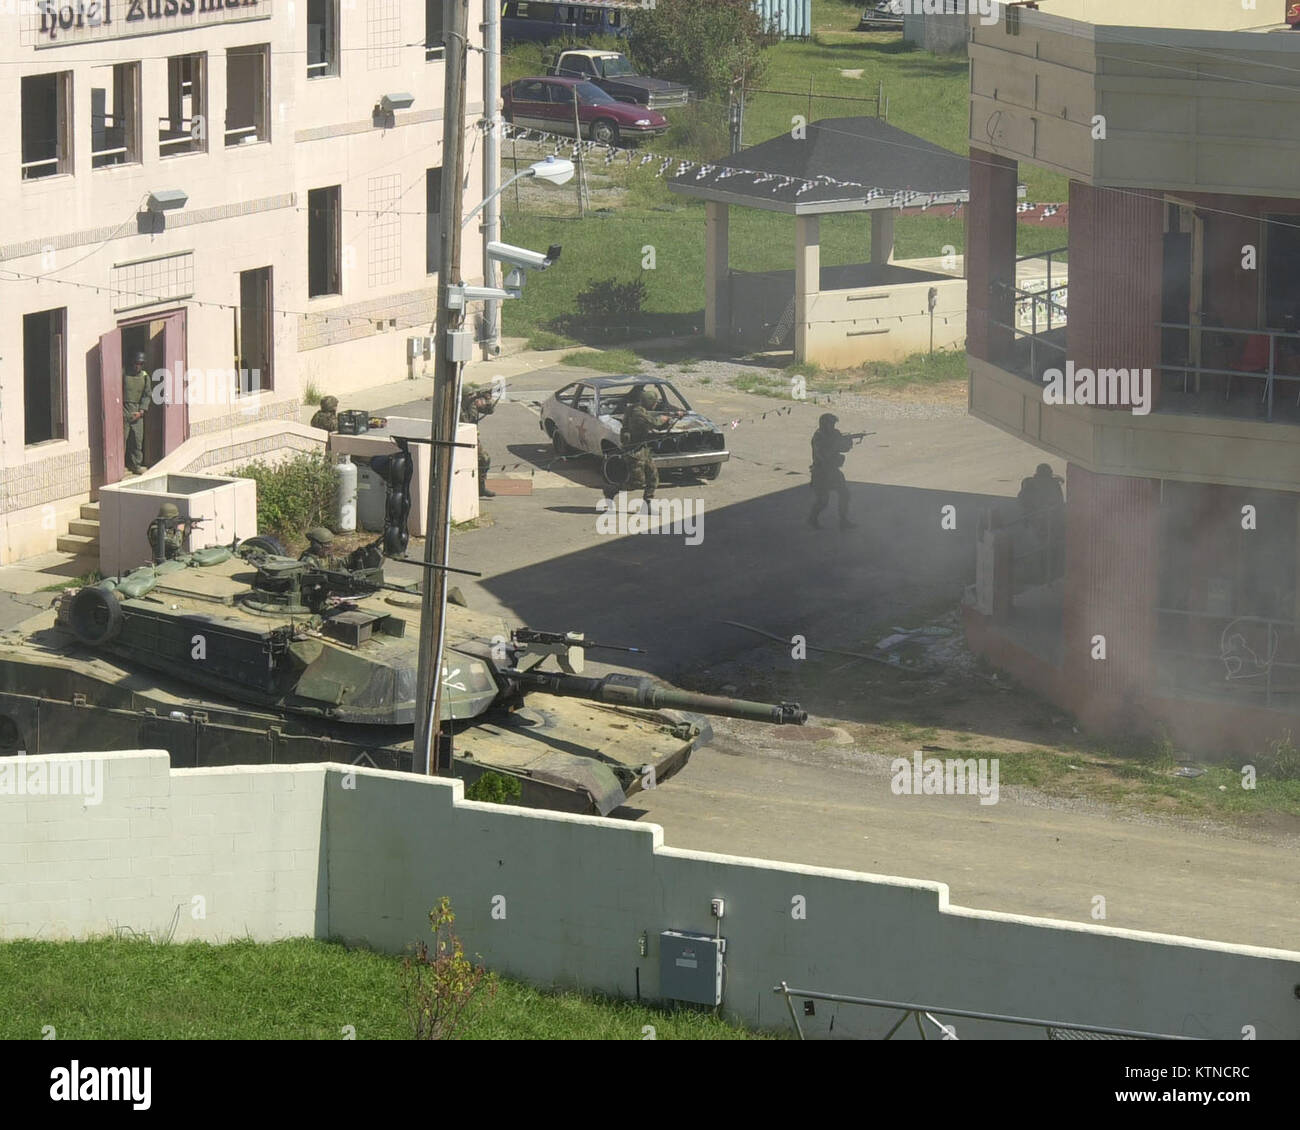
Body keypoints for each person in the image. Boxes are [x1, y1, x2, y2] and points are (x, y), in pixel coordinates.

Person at [605, 384, 684, 510]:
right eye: (654, 402)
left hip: (643, 449)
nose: (655, 405)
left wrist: (670, 417)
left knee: (653, 477)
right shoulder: (637, 413)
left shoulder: (637, 408)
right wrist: (668, 418)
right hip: (633, 451)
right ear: (649, 402)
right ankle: (611, 490)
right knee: (636, 482)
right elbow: (655, 423)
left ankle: (647, 504)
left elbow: (653, 420)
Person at [808, 413, 859, 530]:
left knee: (845, 494)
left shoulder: (835, 433)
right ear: (824, 424)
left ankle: (843, 521)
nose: (833, 426)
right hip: (821, 472)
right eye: (831, 424)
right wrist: (836, 445)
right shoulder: (818, 437)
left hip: (833, 471)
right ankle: (812, 519)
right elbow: (823, 455)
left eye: (833, 424)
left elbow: (844, 449)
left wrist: (848, 443)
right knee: (823, 501)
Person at [1017, 463, 1065, 581]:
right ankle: (1047, 575)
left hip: (1037, 524)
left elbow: (1021, 501)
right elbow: (1060, 504)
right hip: (1047, 524)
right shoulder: (1053, 484)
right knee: (1047, 549)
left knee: (1040, 549)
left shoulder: (1029, 483)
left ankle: (1042, 575)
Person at [460, 384, 497, 498]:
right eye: (470, 395)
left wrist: (488, 399)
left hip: (473, 438)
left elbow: (489, 410)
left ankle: (481, 487)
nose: (473, 397)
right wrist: (473, 405)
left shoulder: (473, 404)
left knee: (484, 459)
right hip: (460, 439)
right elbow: (467, 421)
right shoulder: (458, 407)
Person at [122, 352, 152, 475]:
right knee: (122, 439)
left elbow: (147, 394)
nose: (137, 366)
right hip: (124, 410)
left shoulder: (145, 377)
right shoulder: (124, 374)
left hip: (138, 412)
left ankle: (136, 465)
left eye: (140, 364)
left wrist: (141, 411)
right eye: (135, 363)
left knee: (137, 440)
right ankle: (120, 466)